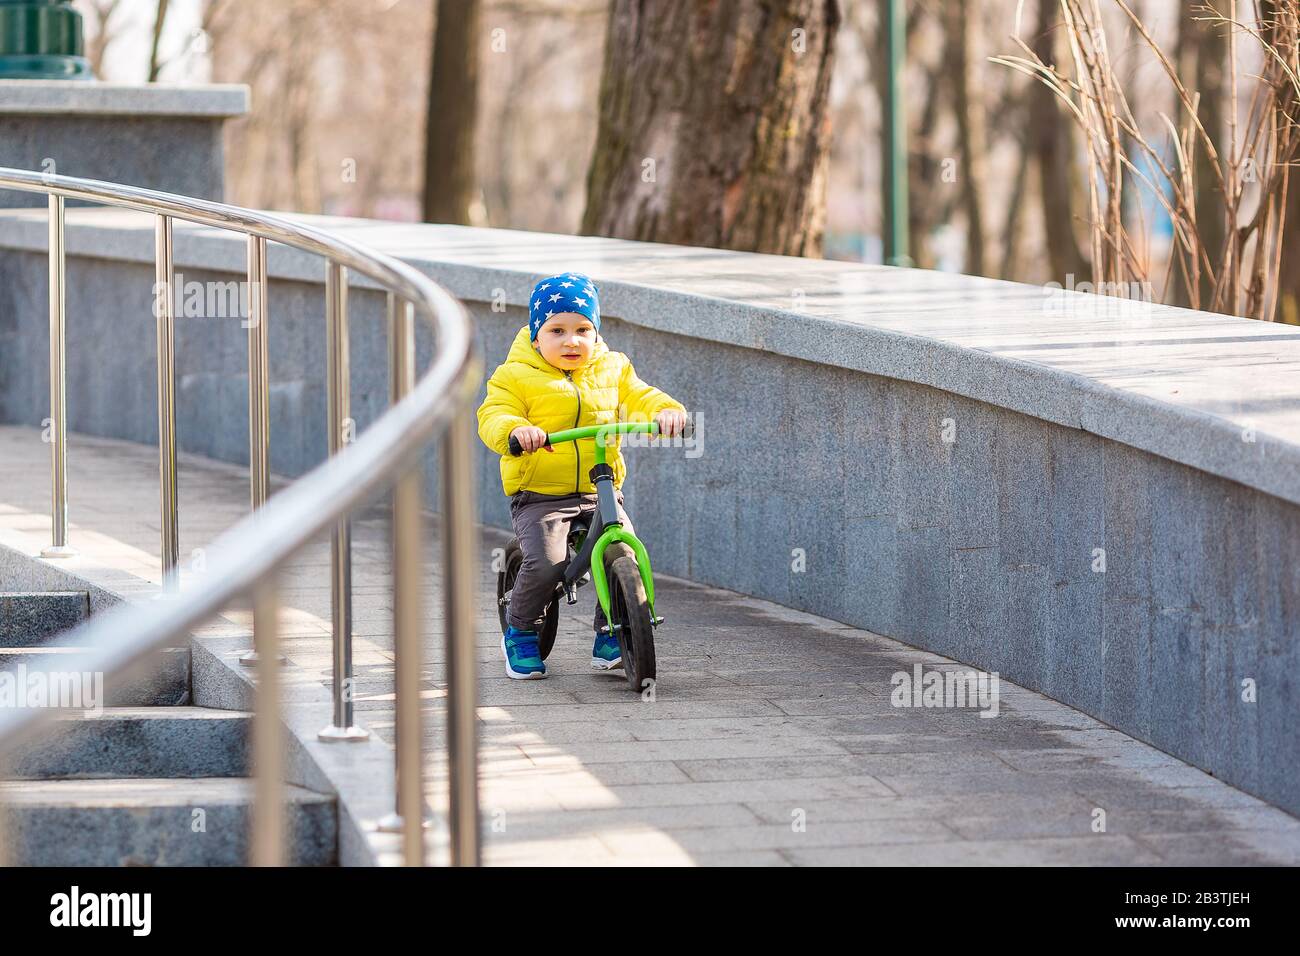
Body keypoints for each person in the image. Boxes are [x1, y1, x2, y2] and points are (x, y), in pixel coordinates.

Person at [476, 272, 687, 679]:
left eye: (582, 329)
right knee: (548, 562)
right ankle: (519, 630)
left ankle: (611, 631)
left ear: (595, 331)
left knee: (624, 549)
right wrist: (516, 431)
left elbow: (639, 396)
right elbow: (493, 414)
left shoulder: (612, 368)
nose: (572, 340)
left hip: (599, 487)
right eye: (557, 330)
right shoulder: (515, 374)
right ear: (537, 337)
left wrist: (665, 411)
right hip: (540, 494)